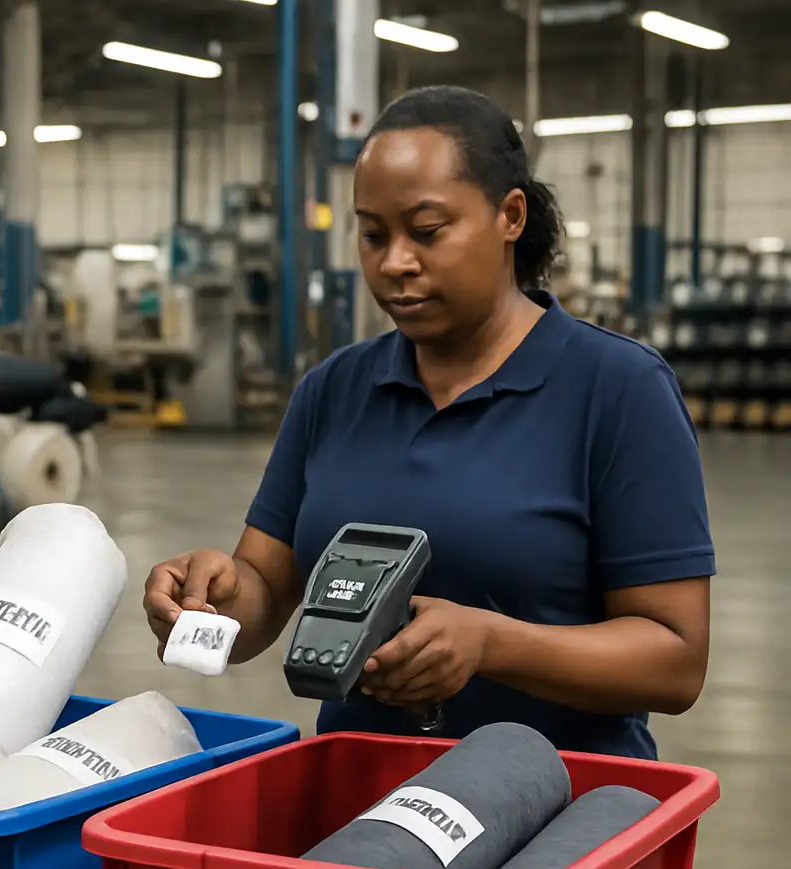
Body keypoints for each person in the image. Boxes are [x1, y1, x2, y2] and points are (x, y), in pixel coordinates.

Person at [145, 85, 713, 759]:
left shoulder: (617, 390)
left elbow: (675, 660)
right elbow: (266, 591)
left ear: (510, 215)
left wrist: (494, 644)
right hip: (363, 791)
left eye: (427, 231)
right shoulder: (333, 391)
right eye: (372, 235)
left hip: (560, 796)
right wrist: (214, 598)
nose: (394, 263)